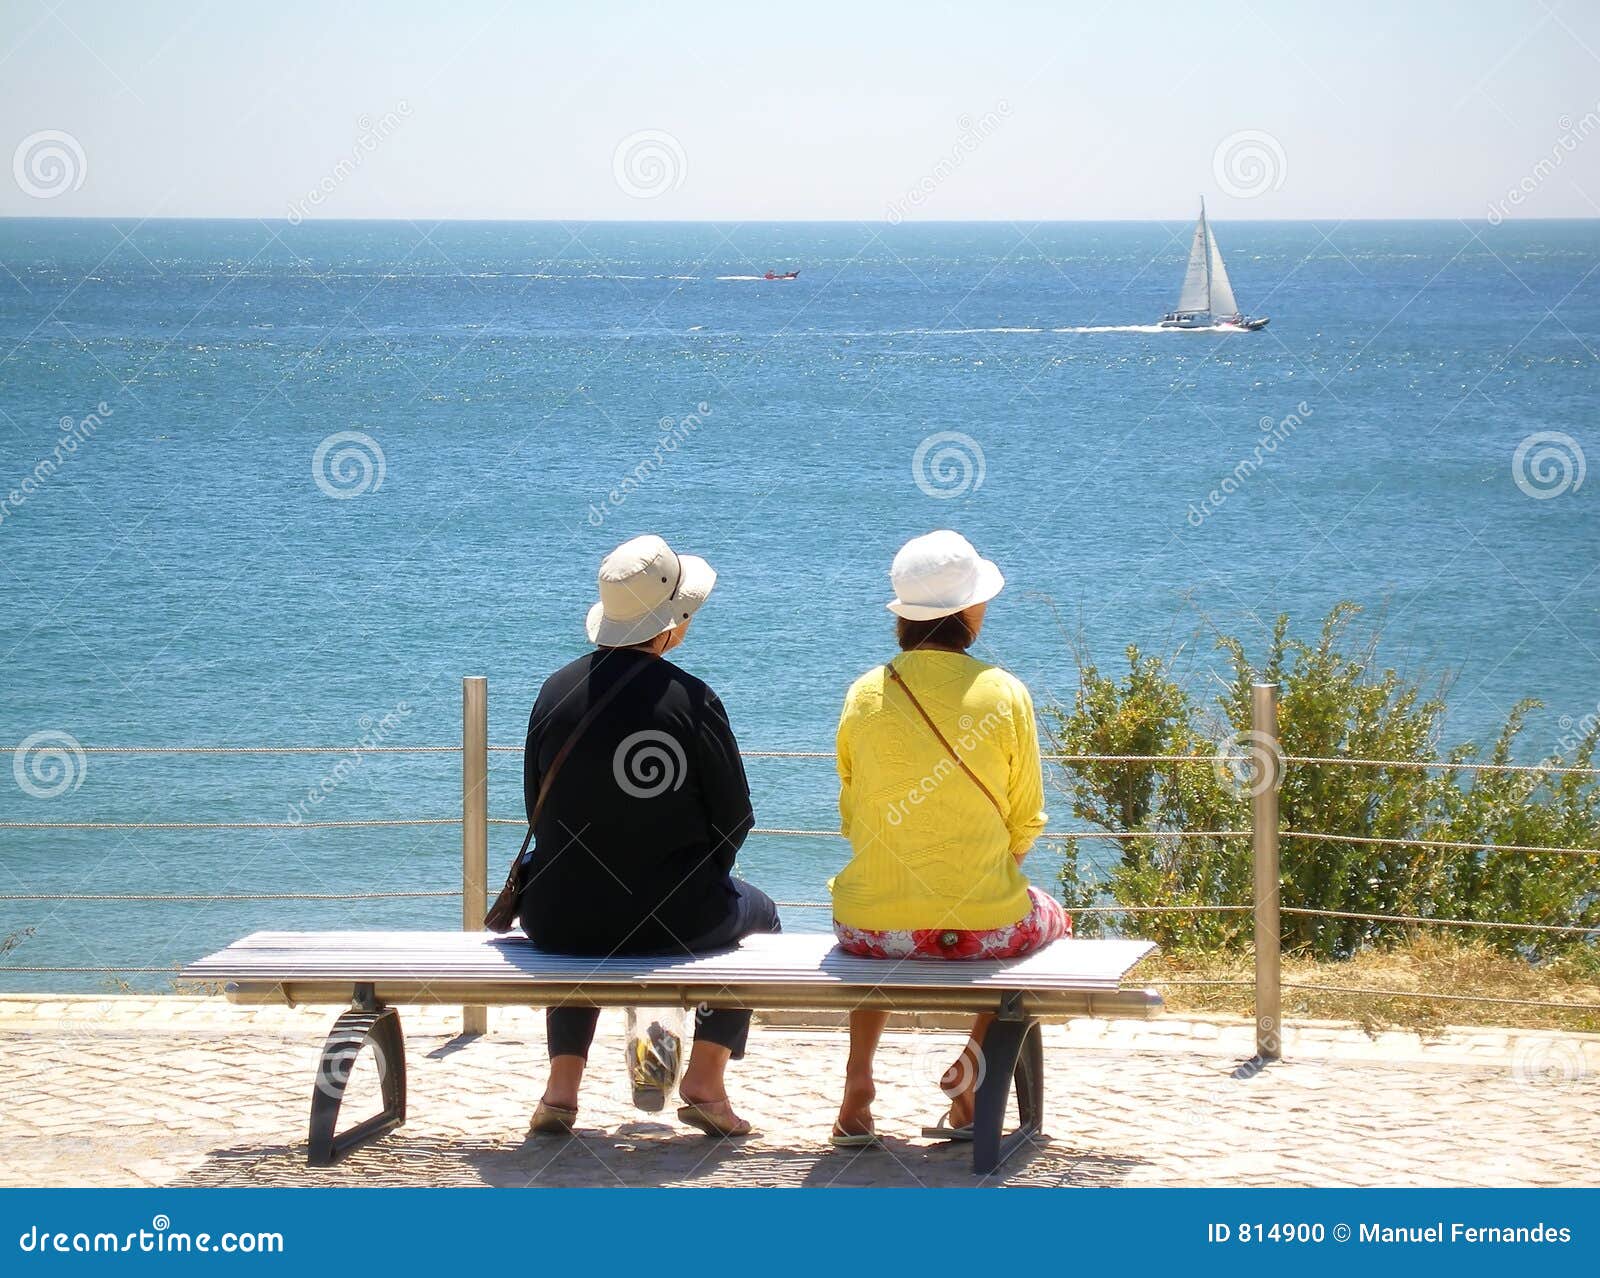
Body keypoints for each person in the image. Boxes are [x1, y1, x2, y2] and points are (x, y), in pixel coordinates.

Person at [518, 534, 780, 1139]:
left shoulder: (554, 692)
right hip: (676, 916)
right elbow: (735, 816)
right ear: (670, 625)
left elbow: (536, 807)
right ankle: (706, 1081)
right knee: (763, 914)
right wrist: (699, 872)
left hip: (560, 916)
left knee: (584, 905)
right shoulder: (692, 699)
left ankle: (561, 1089)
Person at [827, 530, 1070, 1147]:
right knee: (1051, 918)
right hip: (978, 929)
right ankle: (970, 1072)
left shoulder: (864, 693)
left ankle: (858, 1088)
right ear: (967, 612)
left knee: (882, 894)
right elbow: (1027, 817)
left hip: (869, 931)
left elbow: (854, 815)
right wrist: (987, 869)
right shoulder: (1005, 692)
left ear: (904, 616)